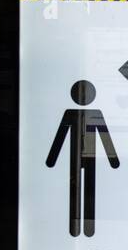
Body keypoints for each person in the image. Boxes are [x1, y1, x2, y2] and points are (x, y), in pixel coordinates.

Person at [46, 80, 119, 237]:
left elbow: (104, 136)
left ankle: (87, 228)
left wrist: (51, 160)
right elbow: (61, 135)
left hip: (87, 156)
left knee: (87, 189)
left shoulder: (92, 113)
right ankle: (78, 228)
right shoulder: (74, 114)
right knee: (78, 189)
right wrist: (113, 161)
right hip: (80, 157)